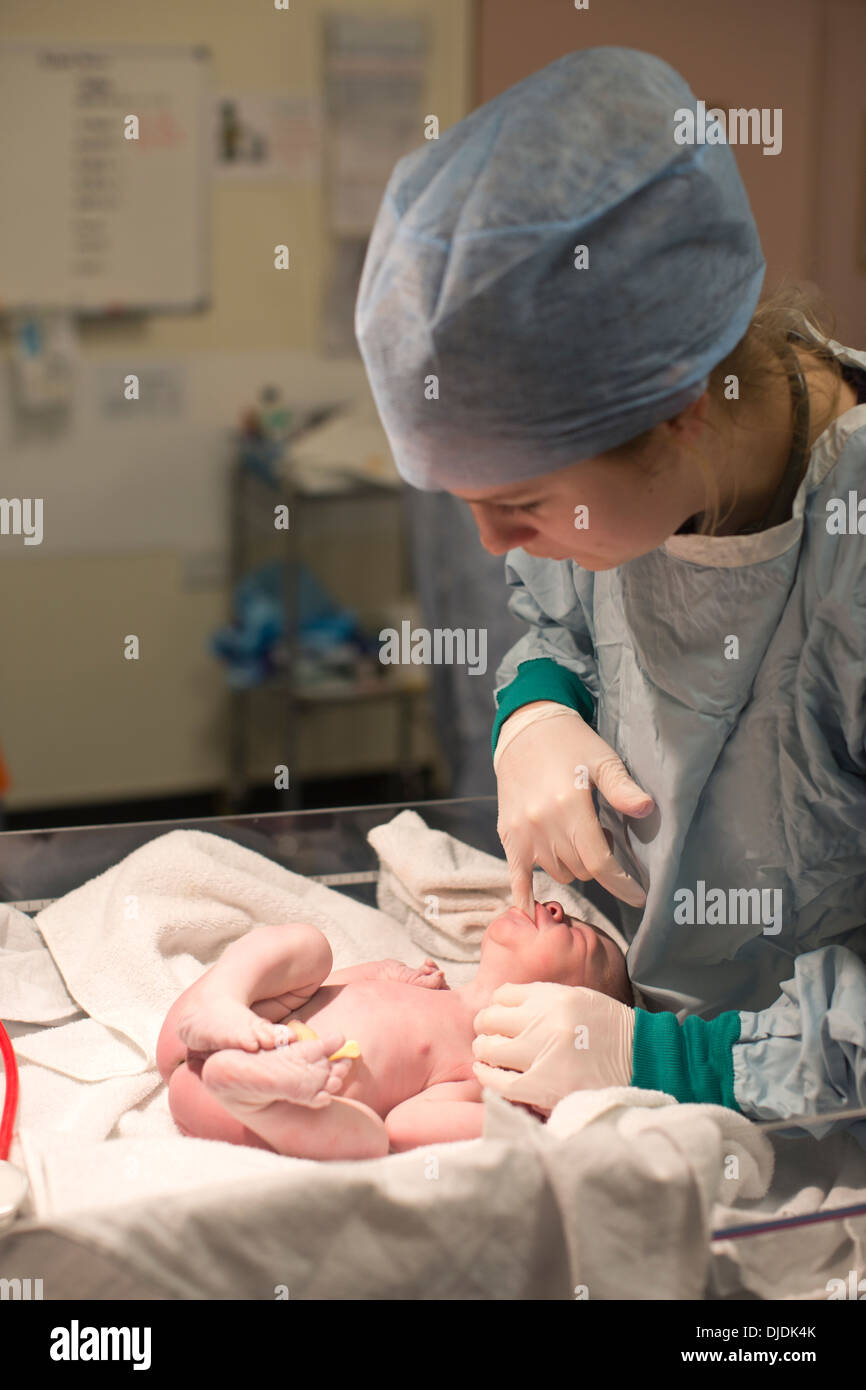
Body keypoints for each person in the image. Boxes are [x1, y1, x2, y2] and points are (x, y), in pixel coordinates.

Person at [354, 47, 866, 1139]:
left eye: (521, 502)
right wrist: (536, 706)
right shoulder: (636, 476)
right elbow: (559, 619)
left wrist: (673, 1060)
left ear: (680, 409)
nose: (491, 543)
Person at [156, 903, 631, 1159]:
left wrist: (519, 1122)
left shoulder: (482, 1069)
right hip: (214, 1029)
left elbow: (404, 1128)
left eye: (579, 936)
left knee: (368, 1140)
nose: (555, 908)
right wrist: (379, 972)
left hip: (241, 1105)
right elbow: (317, 990)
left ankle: (257, 1088)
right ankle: (224, 997)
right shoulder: (419, 983)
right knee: (310, 947)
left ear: (574, 1010)